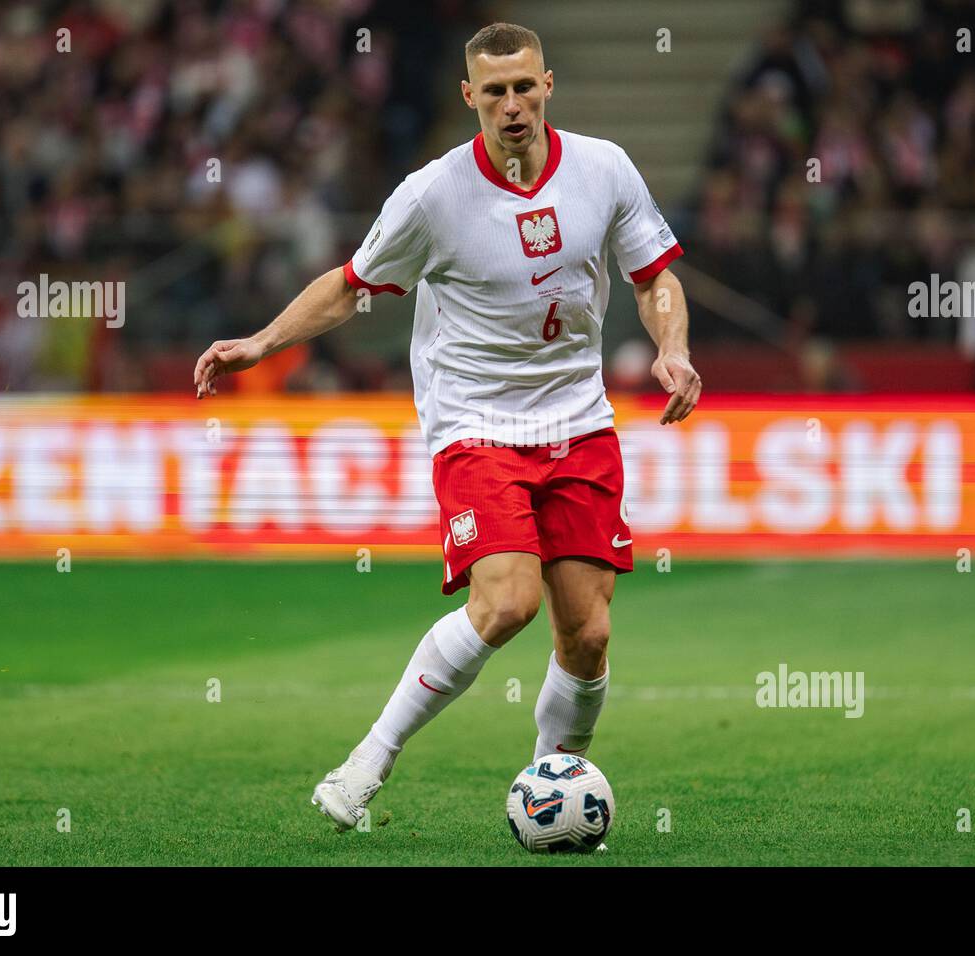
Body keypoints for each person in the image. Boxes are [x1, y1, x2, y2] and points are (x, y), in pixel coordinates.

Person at [192, 22, 700, 831]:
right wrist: (261, 341)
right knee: (506, 603)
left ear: (548, 86)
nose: (512, 106)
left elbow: (654, 279)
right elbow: (351, 284)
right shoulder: (434, 194)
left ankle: (550, 790)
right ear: (469, 97)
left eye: (524, 87)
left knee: (590, 634)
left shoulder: (605, 169)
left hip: (580, 420)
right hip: (476, 423)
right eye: (493, 92)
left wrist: (671, 348)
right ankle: (364, 767)